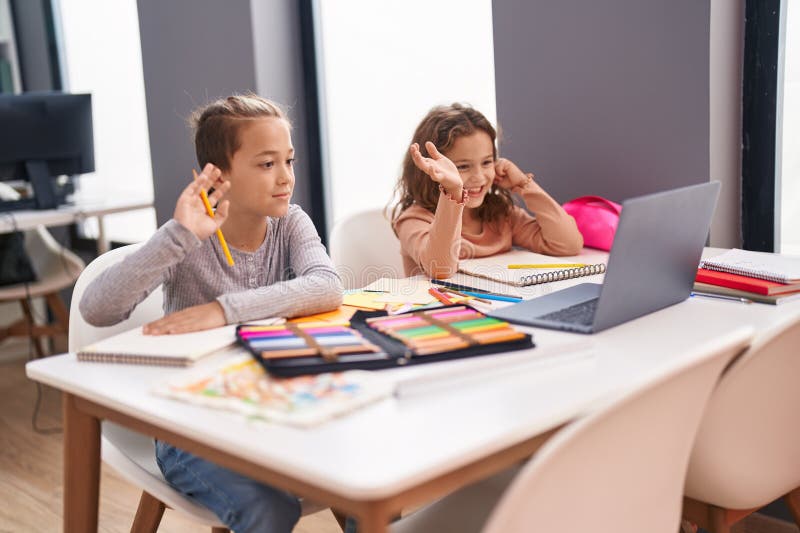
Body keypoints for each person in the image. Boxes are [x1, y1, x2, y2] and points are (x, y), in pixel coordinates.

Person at [80, 93, 343, 532]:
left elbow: (326, 286)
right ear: (217, 176)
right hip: (190, 428)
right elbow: (97, 308)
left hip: (273, 410)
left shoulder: (291, 223)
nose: (285, 178)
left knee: (363, 477)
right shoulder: (186, 241)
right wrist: (179, 236)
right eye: (266, 164)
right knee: (272, 509)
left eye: (289, 161)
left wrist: (223, 311)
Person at [391, 103, 583, 278]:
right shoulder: (414, 219)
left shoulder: (500, 215)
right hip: (447, 313)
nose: (480, 177)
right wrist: (454, 190)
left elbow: (568, 244)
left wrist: (524, 185)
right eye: (463, 166)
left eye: (486, 162)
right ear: (430, 170)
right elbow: (440, 269)